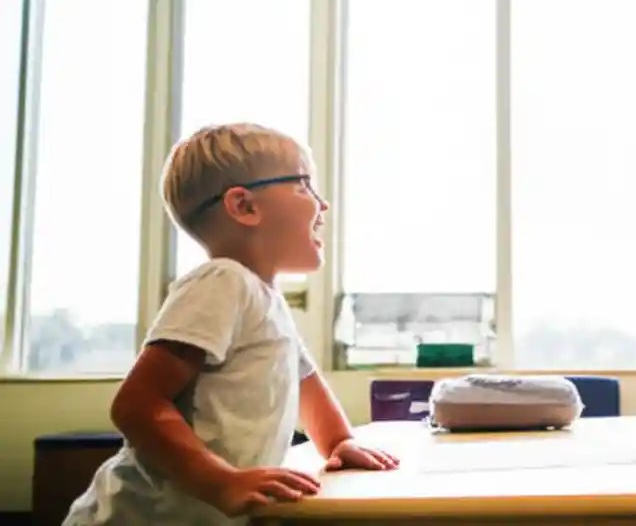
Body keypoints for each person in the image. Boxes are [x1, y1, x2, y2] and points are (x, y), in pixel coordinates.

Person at [65, 123, 398, 525]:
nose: (321, 204)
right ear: (244, 207)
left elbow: (307, 384)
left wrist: (339, 442)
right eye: (304, 185)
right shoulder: (223, 281)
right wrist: (221, 481)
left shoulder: (266, 301)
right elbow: (137, 404)